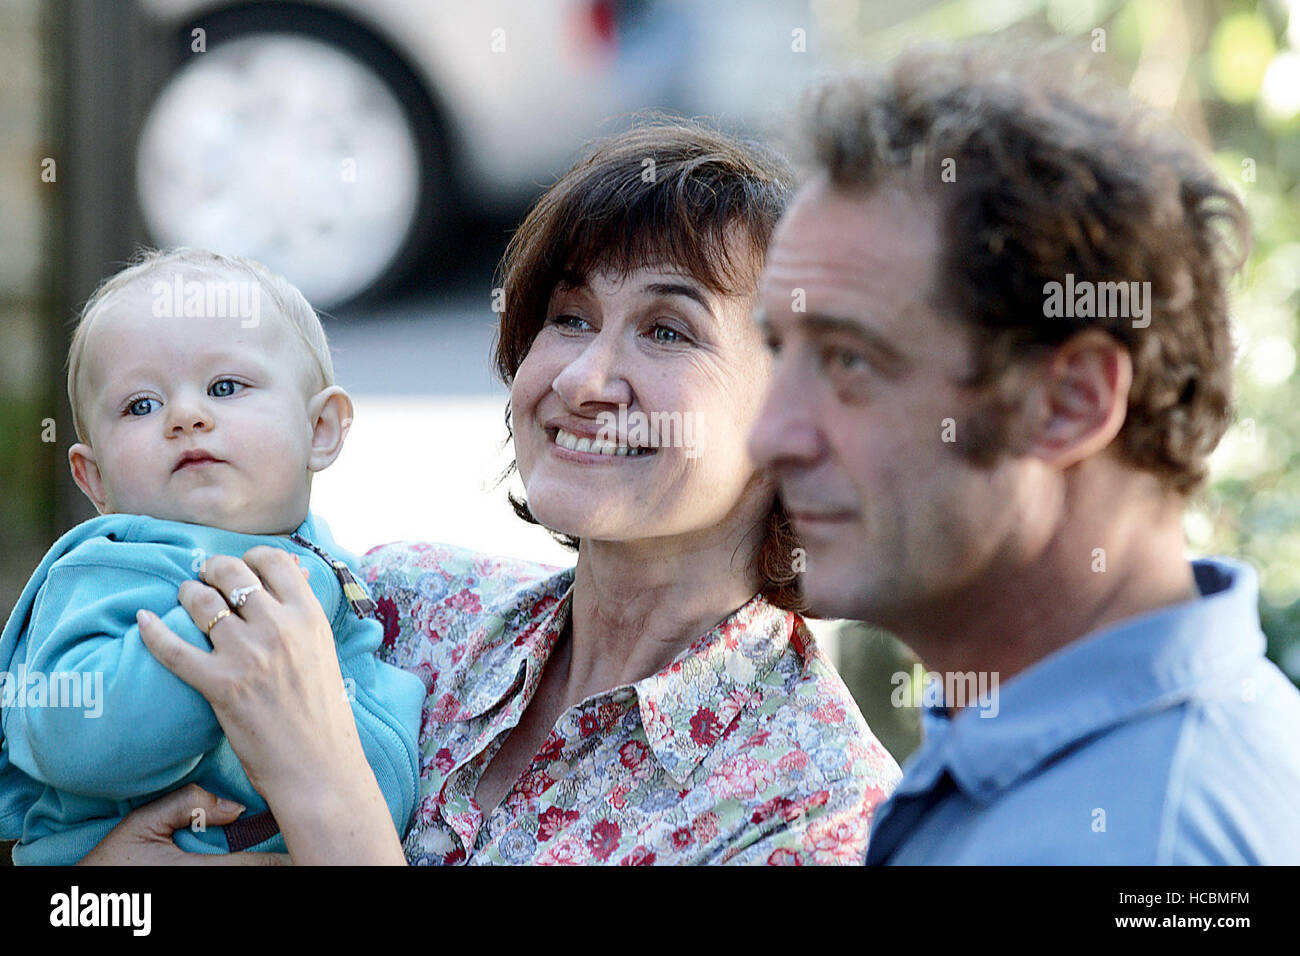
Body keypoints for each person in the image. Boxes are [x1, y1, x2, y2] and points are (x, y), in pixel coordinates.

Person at [81, 122, 902, 865]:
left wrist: (322, 784)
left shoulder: (816, 810)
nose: (582, 380)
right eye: (571, 316)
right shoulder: (394, 610)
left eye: (667, 330)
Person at [748, 41, 1300, 864]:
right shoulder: (1083, 765)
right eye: (776, 351)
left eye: (849, 361)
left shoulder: (1142, 845)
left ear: (1071, 403)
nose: (771, 435)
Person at [0, 248, 425, 864]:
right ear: (94, 480)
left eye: (225, 387)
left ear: (321, 429)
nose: (186, 416)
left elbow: (378, 784)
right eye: (140, 405)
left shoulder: (331, 567)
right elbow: (72, 737)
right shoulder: (107, 569)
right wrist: (221, 626)